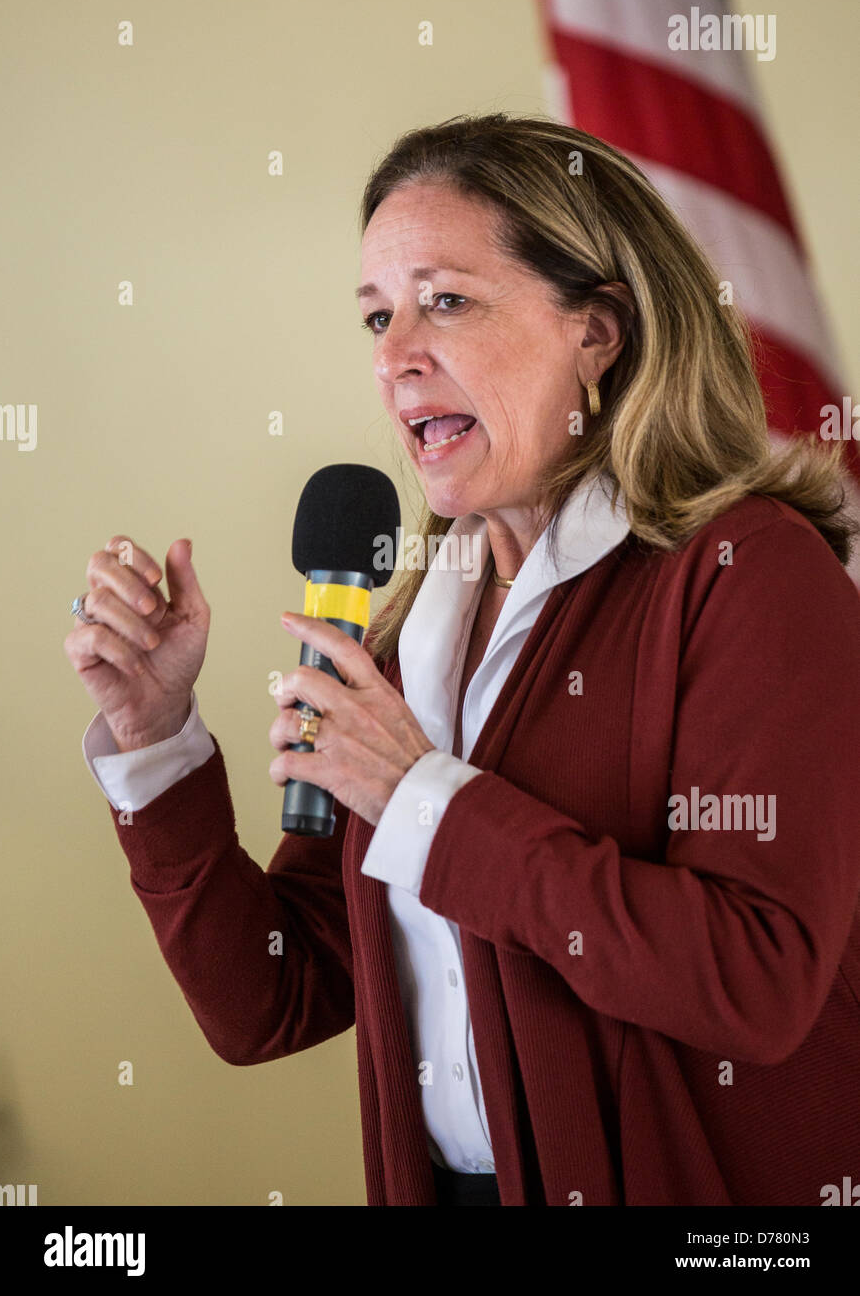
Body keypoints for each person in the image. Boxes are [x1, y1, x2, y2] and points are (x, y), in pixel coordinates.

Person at [65, 114, 860, 1207]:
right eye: (378, 317)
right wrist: (157, 738)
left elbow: (754, 979)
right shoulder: (398, 637)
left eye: (445, 301)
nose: (394, 357)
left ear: (597, 330)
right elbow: (273, 999)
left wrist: (419, 796)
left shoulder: (745, 574)